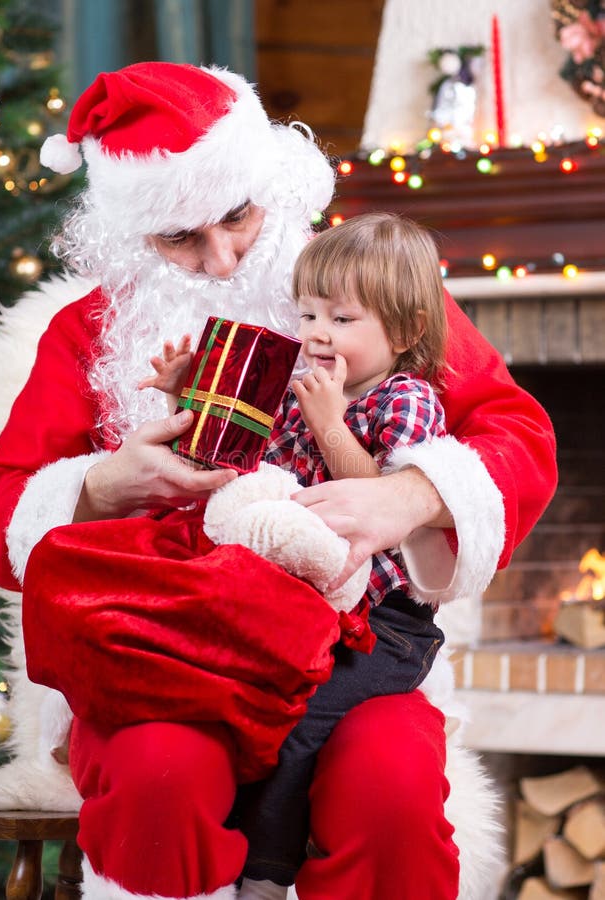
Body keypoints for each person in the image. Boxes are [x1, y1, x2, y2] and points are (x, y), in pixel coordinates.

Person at [0, 61, 557, 900]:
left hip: (344, 648)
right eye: (178, 236)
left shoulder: (361, 290)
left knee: (389, 793)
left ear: (270, 178)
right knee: (160, 782)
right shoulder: (85, 333)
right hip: (162, 654)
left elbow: (516, 432)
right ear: (128, 231)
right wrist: (100, 486)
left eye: (237, 215)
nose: (220, 257)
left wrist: (407, 494)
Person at [143, 211, 452, 897]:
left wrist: (331, 426)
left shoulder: (407, 400)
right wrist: (181, 392)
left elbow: (381, 498)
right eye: (307, 313)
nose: (315, 333)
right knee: (234, 700)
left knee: (299, 721)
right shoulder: (304, 385)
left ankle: (266, 873)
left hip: (384, 627)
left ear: (402, 332)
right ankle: (215, 852)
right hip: (296, 607)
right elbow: (242, 455)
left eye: (341, 320)